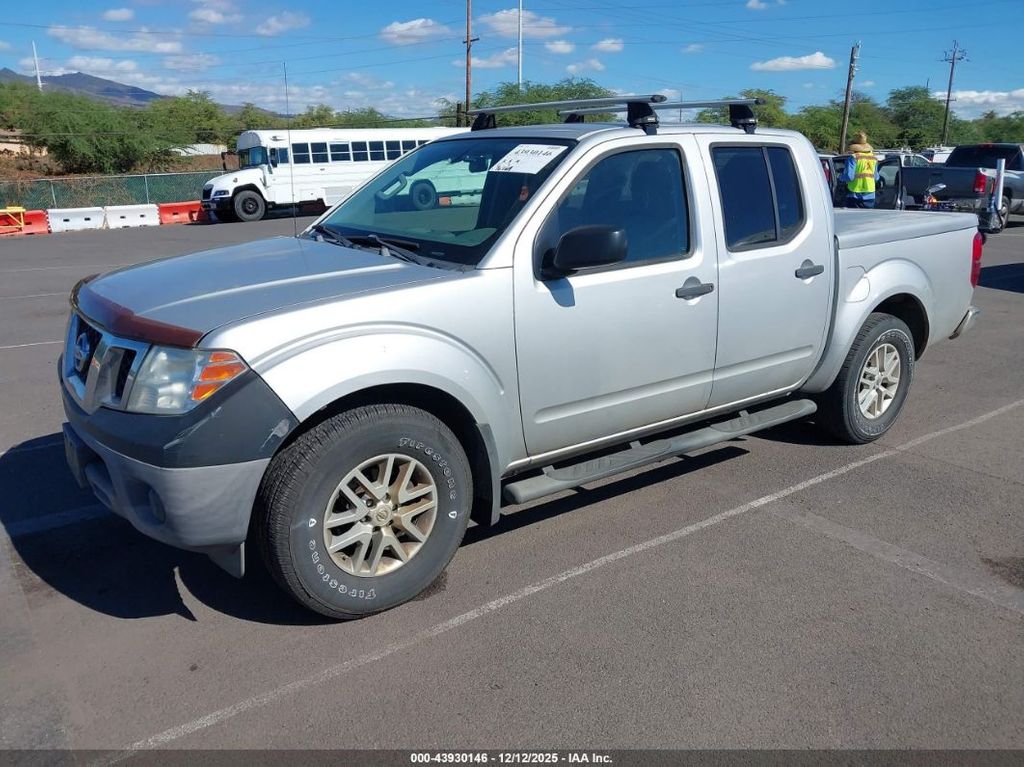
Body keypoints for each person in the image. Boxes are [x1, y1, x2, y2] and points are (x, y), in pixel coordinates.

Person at [843, 131, 880, 208]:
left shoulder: (853, 158)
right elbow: (876, 177)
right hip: (870, 195)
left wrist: (840, 177)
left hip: (854, 194)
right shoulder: (874, 158)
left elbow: (849, 177)